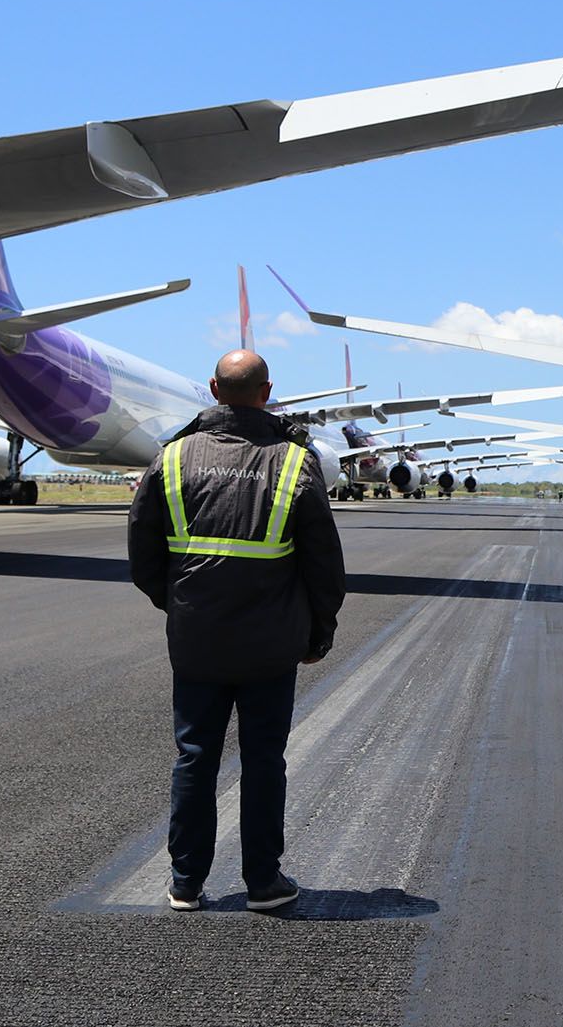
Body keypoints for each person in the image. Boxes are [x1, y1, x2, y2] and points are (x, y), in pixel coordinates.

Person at [127, 349, 348, 912]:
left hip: (197, 636)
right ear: (267, 391)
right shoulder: (295, 462)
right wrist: (319, 631)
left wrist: (178, 604)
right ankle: (262, 882)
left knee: (195, 756)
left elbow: (143, 552)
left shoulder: (171, 458)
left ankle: (185, 883)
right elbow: (324, 561)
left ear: (213, 389)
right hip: (271, 643)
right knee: (263, 760)